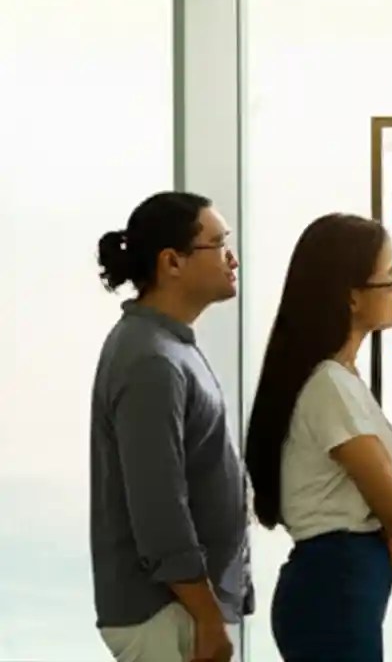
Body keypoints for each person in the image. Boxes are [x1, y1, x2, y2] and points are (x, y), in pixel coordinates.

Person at [244, 213, 392, 661]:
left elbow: (385, 476)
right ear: (352, 296)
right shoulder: (329, 385)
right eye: (390, 276)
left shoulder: (341, 377)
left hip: (342, 585)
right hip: (333, 589)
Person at [90, 191, 251, 662]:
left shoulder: (169, 346)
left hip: (182, 609)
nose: (232, 259)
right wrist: (206, 618)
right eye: (219, 245)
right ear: (172, 262)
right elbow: (158, 505)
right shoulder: (151, 359)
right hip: (167, 613)